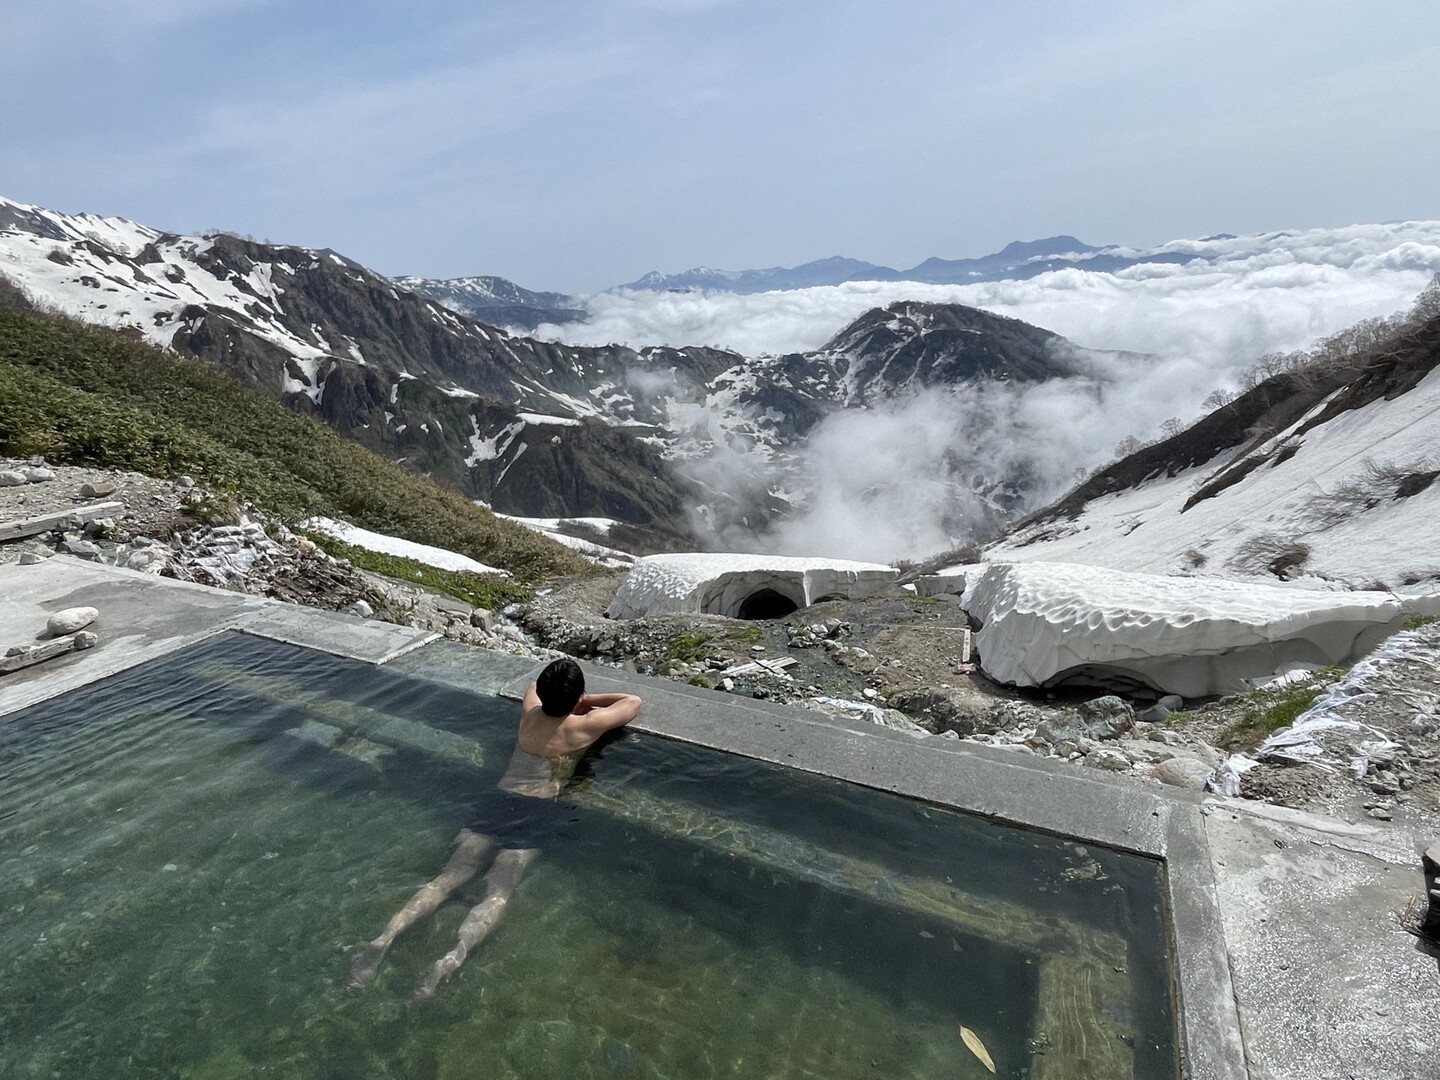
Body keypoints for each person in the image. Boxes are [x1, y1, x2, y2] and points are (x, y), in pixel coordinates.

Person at [349, 658, 642, 999]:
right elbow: (632, 703)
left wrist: (567, 697)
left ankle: (385, 937)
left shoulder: (531, 715)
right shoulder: (583, 726)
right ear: (576, 697)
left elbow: (531, 687)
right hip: (537, 809)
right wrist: (582, 701)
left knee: (445, 879)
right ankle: (451, 957)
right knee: (498, 892)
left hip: (498, 800)